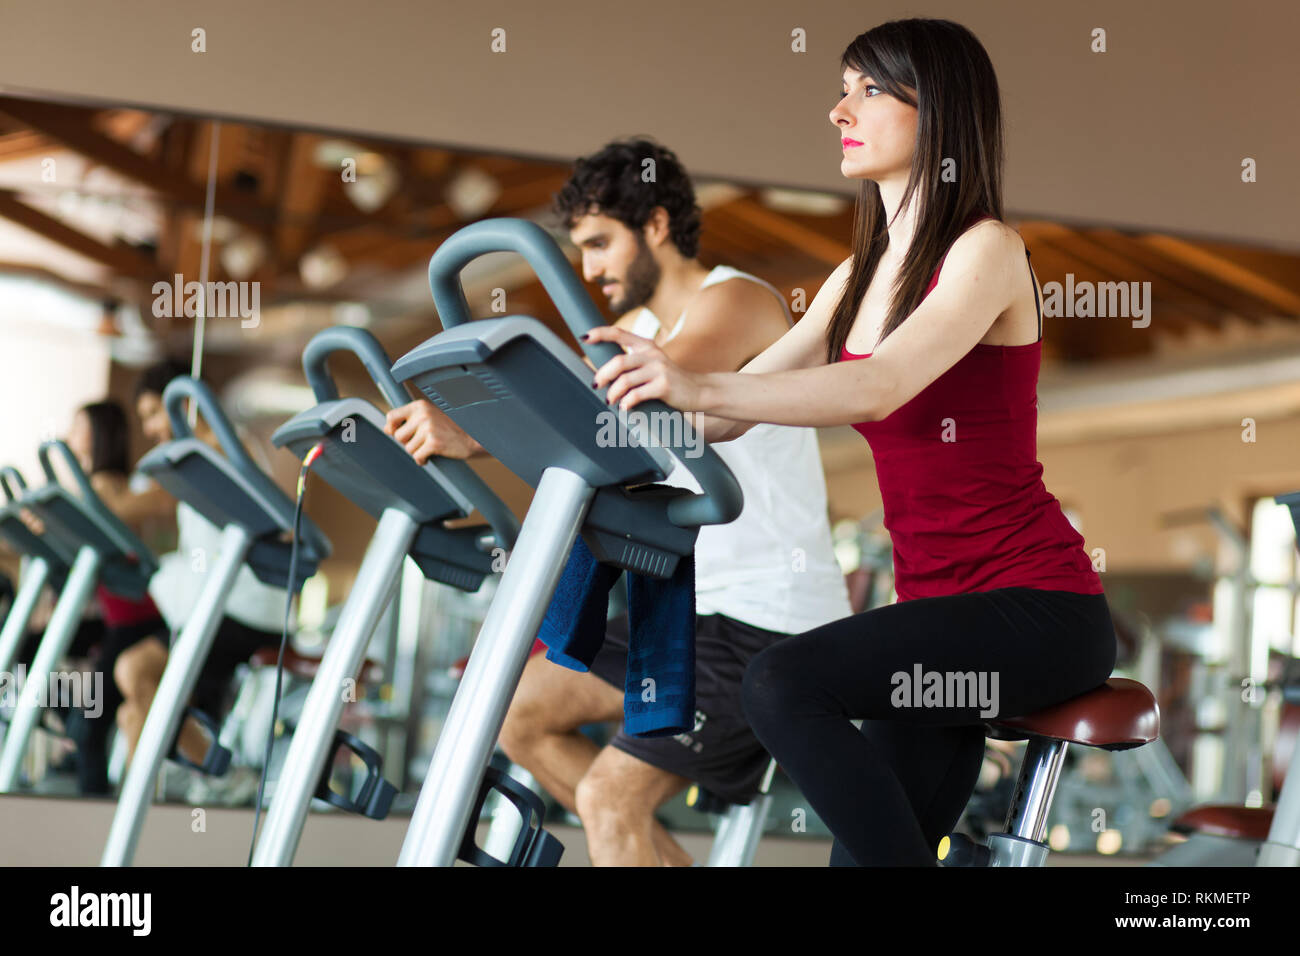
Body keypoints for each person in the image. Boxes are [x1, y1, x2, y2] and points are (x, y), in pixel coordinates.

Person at [582, 18, 1119, 866]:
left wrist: (696, 384)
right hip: (934, 617)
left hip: (1035, 609)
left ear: (937, 112)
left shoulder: (985, 250)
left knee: (783, 681)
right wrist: (635, 403)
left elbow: (880, 384)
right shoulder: (857, 274)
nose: (840, 110)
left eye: (869, 90)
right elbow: (734, 410)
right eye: (841, 87)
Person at [385, 138, 852, 866]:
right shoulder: (629, 334)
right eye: (582, 249)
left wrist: (476, 427)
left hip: (768, 624)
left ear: (657, 226)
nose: (590, 268)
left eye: (601, 243)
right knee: (516, 714)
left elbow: (646, 401)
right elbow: (576, 412)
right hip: (685, 612)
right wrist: (466, 421)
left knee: (609, 799)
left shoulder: (735, 298)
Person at [112, 360, 287, 798]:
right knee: (135, 706)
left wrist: (101, 503)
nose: (151, 428)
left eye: (155, 413)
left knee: (135, 673)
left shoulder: (217, 449)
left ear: (185, 403)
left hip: (245, 610)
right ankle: (207, 774)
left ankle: (210, 774)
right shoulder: (194, 453)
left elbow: (155, 500)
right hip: (215, 608)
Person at [61, 400, 169, 794]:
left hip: (139, 621)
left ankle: (96, 801)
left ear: (99, 434)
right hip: (116, 621)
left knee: (90, 722)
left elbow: (152, 502)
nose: (70, 434)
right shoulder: (89, 487)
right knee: (80, 709)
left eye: (78, 427)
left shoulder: (108, 486)